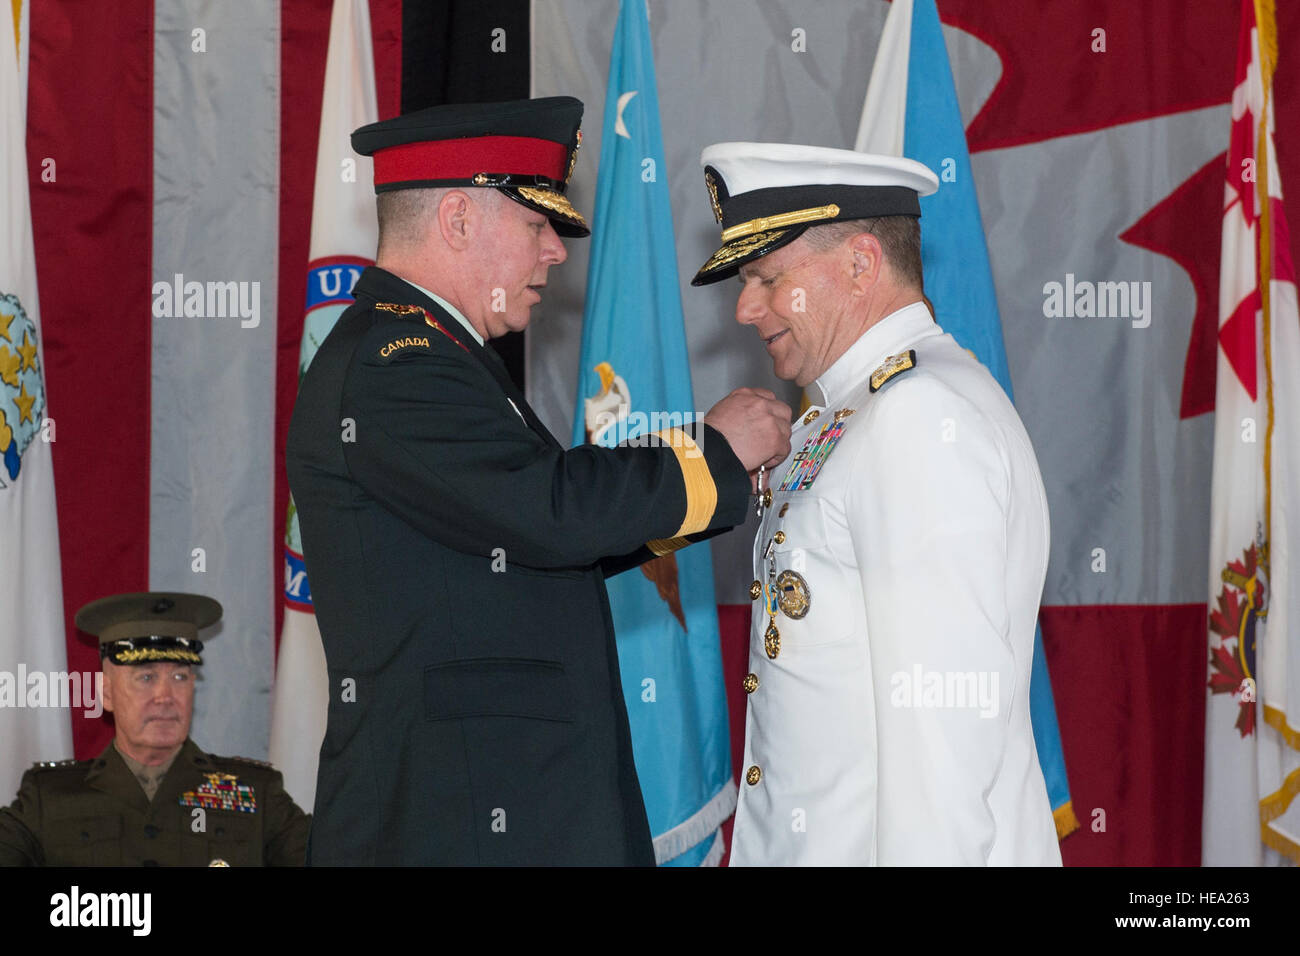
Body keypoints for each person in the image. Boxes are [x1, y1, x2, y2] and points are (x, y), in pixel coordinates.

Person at [285, 97, 791, 865]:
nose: (555, 251)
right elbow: (550, 511)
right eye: (536, 225)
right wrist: (713, 451)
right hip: (461, 821)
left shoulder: (430, 352)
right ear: (457, 219)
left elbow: (534, 536)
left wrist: (707, 474)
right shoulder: (398, 365)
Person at [691, 142, 1061, 865]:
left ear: (862, 264)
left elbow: (943, 742)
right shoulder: (848, 411)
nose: (743, 307)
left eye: (767, 277)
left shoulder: (917, 416)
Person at [0, 592, 310, 866]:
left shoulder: (255, 795)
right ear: (106, 694)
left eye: (179, 677)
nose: (165, 696)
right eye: (146, 678)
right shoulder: (49, 799)